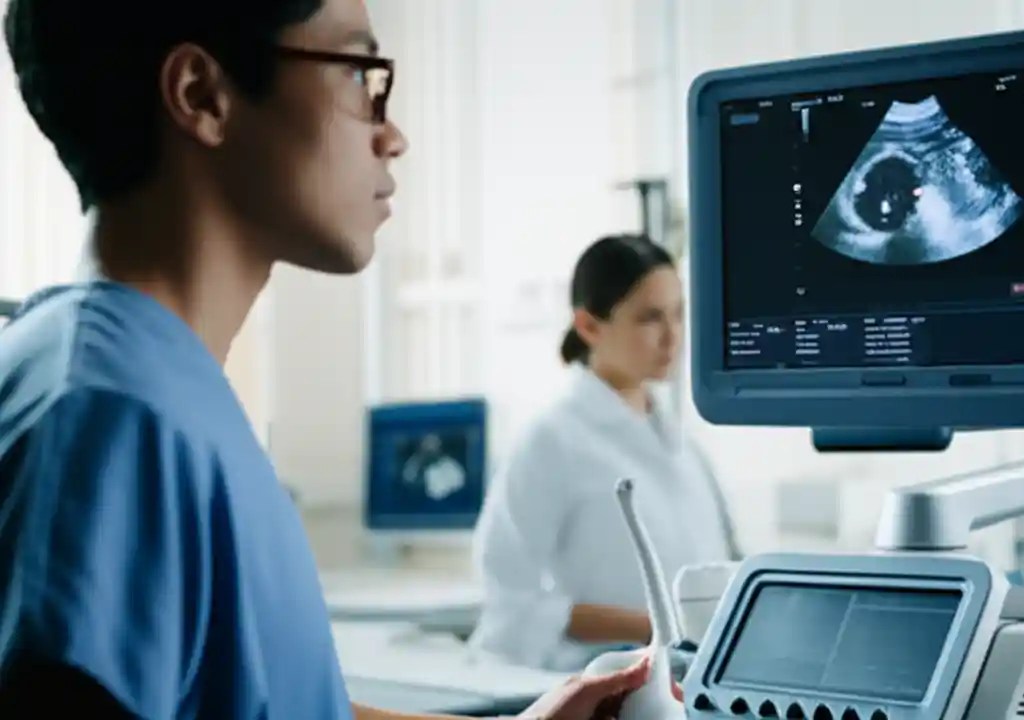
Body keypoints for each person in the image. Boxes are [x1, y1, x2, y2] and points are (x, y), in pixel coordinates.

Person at [0, 1, 652, 717]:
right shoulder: (111, 418)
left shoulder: (147, 384)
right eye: (358, 73)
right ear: (202, 96)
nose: (392, 136)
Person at [469, 234, 741, 672]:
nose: (673, 336)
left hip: (690, 672)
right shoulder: (551, 441)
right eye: (650, 318)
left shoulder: (681, 443)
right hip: (593, 677)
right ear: (589, 326)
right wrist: (661, 629)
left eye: (678, 314)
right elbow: (513, 604)